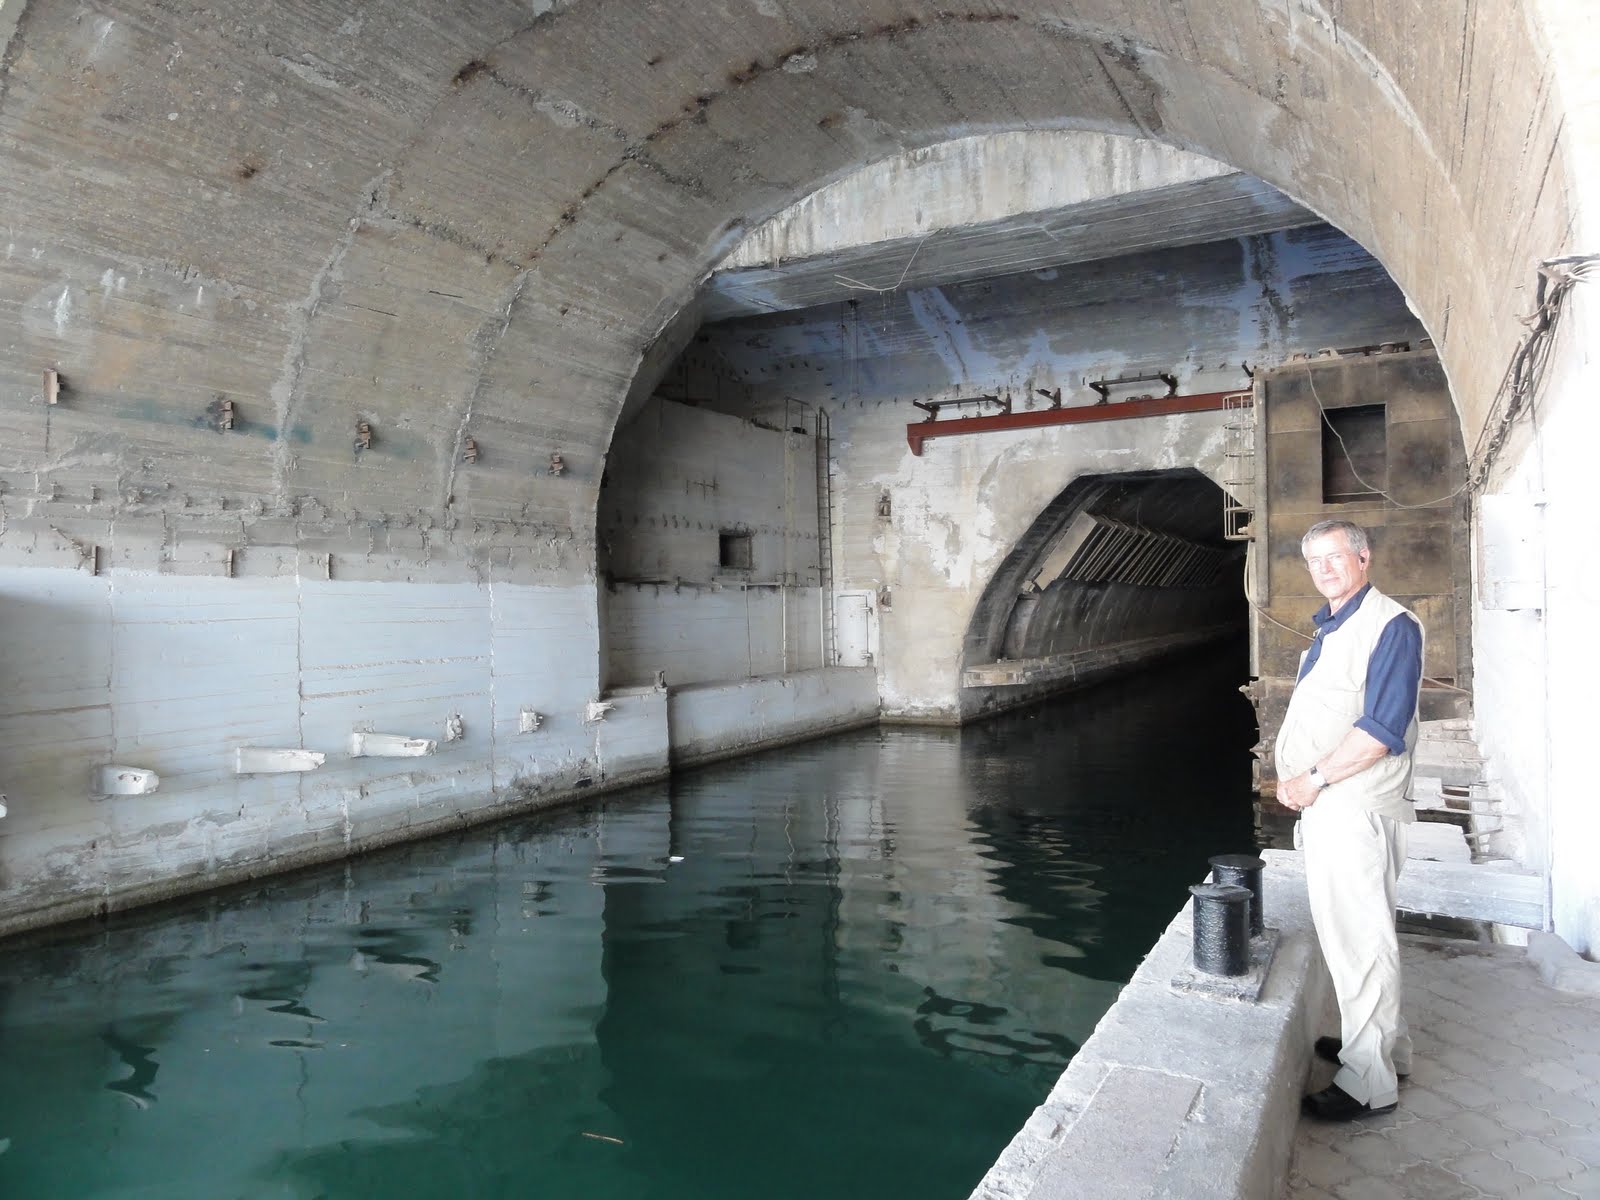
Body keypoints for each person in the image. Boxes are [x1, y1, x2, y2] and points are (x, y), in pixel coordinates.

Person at [1275, 519, 1424, 1121]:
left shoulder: (1390, 625)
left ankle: (1369, 1082)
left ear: (1364, 557)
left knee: (1361, 941)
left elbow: (1382, 733)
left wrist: (1310, 781)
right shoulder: (1332, 628)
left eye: (1336, 557)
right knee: (1359, 935)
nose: (1325, 569)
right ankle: (1388, 1049)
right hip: (1335, 807)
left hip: (1352, 806)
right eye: (1315, 561)